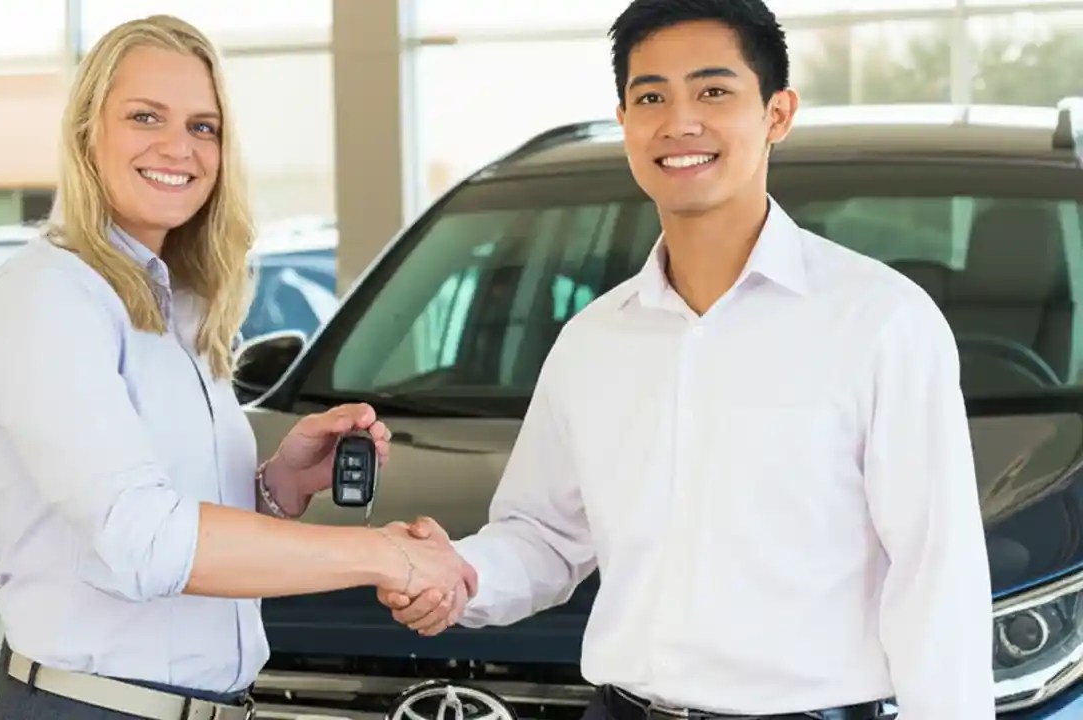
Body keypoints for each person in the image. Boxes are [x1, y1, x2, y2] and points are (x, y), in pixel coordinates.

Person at [378, 0, 995, 718]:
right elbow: (544, 537)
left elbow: (936, 577)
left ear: (777, 113)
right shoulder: (593, 341)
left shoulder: (881, 322)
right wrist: (463, 571)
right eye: (651, 97)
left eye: (713, 91)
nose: (680, 122)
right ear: (626, 121)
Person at [0, 15, 473, 720]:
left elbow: (168, 519)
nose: (180, 148)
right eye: (146, 117)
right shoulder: (47, 298)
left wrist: (277, 487)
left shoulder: (180, 304)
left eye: (204, 126)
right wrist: (383, 555)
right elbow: (144, 543)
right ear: (86, 134)